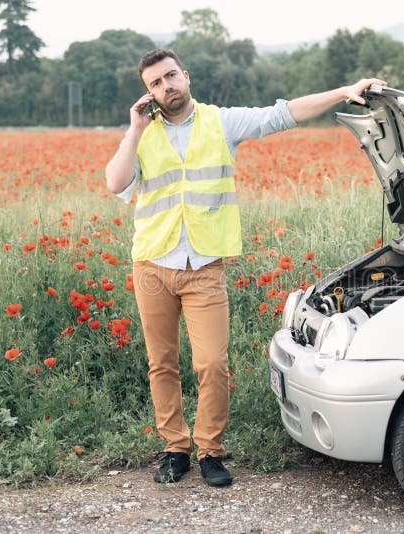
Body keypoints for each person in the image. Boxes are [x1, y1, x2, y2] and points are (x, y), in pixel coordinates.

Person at [105, 47, 384, 487]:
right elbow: (115, 183)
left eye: (171, 76)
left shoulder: (221, 122)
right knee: (161, 363)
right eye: (155, 83)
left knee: (212, 363)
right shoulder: (142, 133)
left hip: (203, 267)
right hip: (153, 265)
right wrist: (134, 128)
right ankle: (175, 448)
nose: (166, 87)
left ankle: (210, 451)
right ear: (148, 93)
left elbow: (283, 114)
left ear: (187, 75)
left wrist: (344, 92)